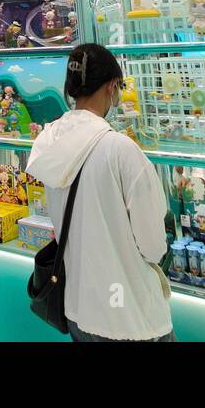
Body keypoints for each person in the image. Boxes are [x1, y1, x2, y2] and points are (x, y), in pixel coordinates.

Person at [26, 43, 174, 342]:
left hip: (79, 310)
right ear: (111, 87)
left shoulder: (49, 142)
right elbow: (153, 247)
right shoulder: (120, 150)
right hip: (128, 315)